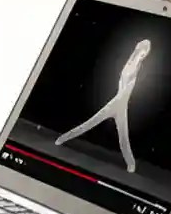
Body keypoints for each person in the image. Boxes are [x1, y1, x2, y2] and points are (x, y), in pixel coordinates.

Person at [55, 39, 151, 172]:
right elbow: (121, 84)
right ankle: (62, 138)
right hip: (115, 103)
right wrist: (117, 101)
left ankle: (131, 164)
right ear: (138, 49)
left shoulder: (137, 69)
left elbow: (128, 89)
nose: (143, 54)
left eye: (145, 53)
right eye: (142, 51)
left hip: (120, 105)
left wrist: (119, 102)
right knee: (89, 124)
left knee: (123, 138)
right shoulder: (128, 64)